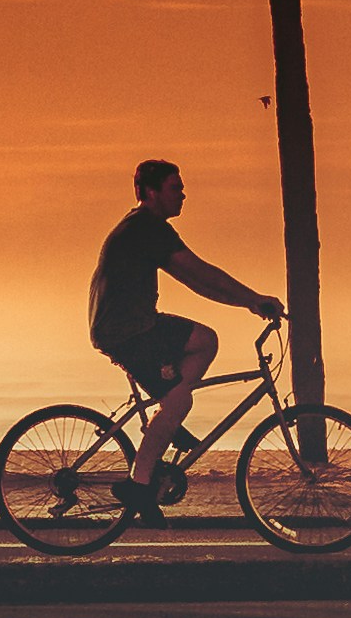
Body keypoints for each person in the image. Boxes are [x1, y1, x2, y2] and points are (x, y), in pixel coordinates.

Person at [89, 159, 282, 509]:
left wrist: (248, 303)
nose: (183, 194)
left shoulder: (144, 227)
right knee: (190, 376)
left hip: (127, 326)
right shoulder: (148, 228)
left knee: (200, 352)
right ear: (152, 192)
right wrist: (254, 300)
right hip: (129, 329)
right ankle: (141, 483)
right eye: (175, 188)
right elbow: (199, 271)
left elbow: (197, 282)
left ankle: (168, 420)